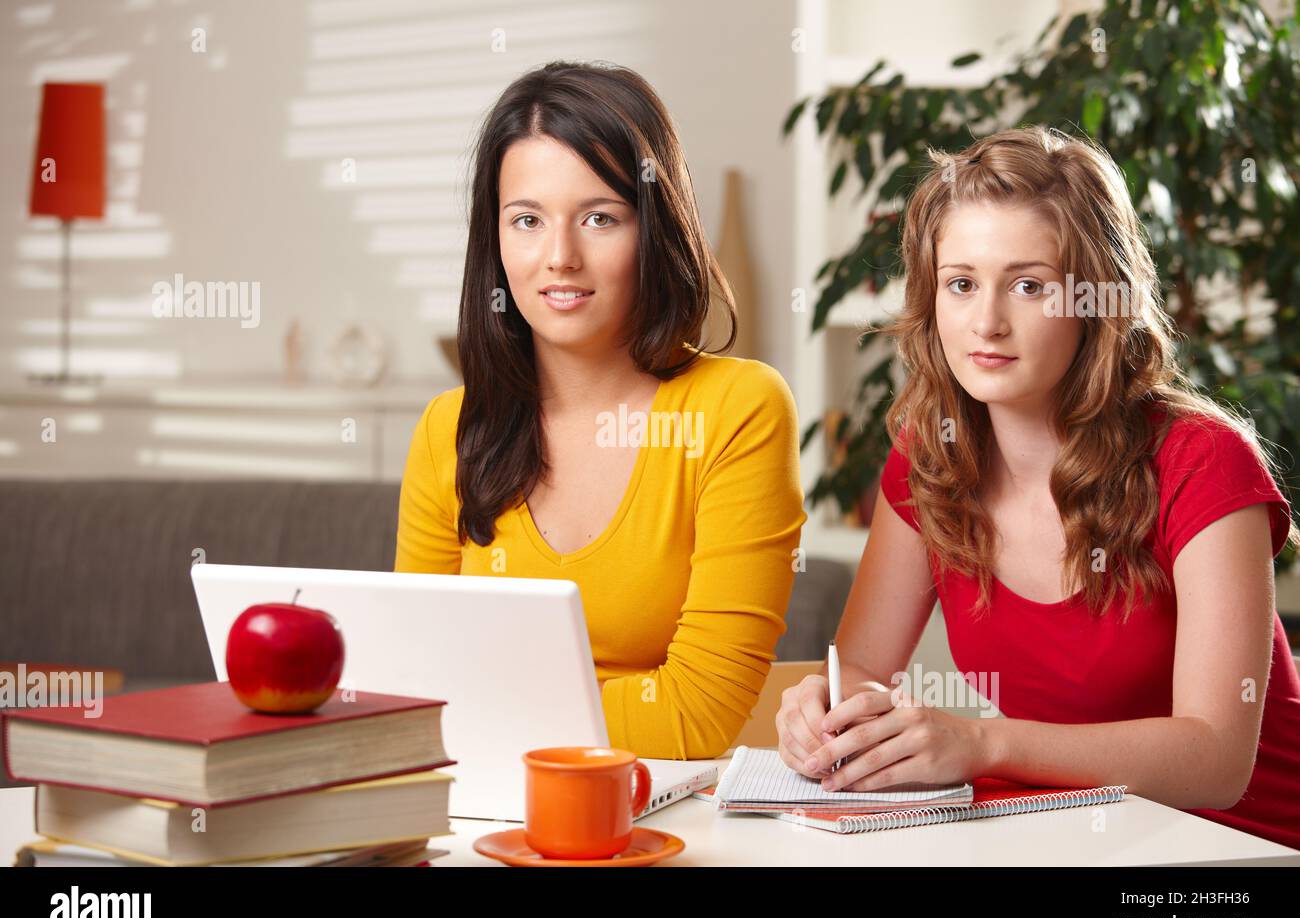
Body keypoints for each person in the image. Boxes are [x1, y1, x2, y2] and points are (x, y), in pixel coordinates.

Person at [777, 126, 1300, 850]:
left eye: (1029, 285)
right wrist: (829, 714)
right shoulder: (929, 459)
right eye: (961, 284)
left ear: (1095, 298)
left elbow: (1216, 761)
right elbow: (863, 669)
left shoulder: (1203, 461)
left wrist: (985, 745)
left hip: (1236, 849)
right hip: (1060, 836)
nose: (987, 322)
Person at [396, 61, 805, 760]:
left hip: (661, 820)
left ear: (654, 227)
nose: (560, 257)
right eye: (526, 220)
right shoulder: (449, 429)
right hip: (483, 816)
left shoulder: (740, 410)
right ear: (493, 242)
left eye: (599, 218)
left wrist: (483, 707)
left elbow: (694, 718)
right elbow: (414, 693)